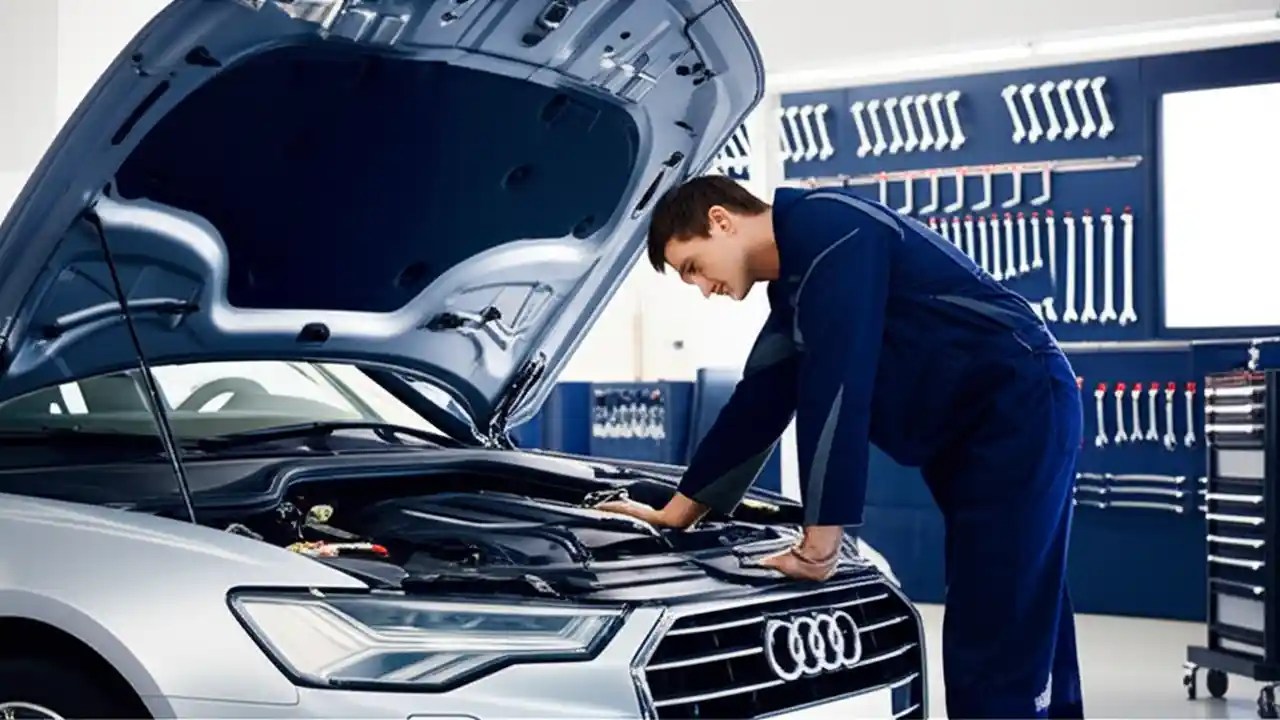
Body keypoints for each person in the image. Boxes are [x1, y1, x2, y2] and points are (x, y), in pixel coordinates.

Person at [595, 176, 1084, 719]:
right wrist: (674, 515)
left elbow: (836, 384)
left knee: (995, 623)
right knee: (1021, 605)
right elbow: (760, 401)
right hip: (977, 431)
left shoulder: (832, 227)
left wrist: (819, 545)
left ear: (720, 220)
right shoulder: (798, 281)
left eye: (692, 267)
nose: (704, 288)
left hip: (1018, 410)